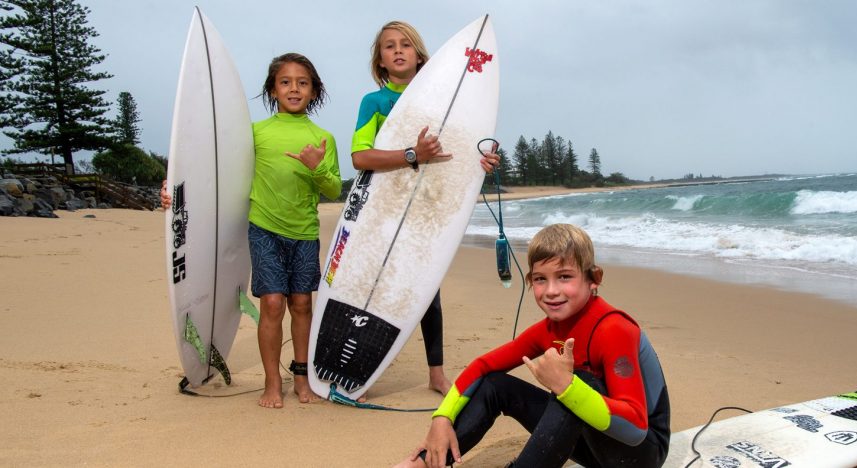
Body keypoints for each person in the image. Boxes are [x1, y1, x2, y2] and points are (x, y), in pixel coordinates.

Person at [396, 224, 671, 468]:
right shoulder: (547, 331)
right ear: (530, 282)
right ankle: (425, 464)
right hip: (591, 442)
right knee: (495, 385)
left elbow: (636, 427)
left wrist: (568, 388)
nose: (551, 290)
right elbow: (483, 366)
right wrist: (442, 417)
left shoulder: (614, 329)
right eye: (541, 279)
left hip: (641, 454)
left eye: (564, 276)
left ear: (594, 278)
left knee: (580, 382)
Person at [162, 52, 342, 409]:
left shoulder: (322, 138)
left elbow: (334, 189)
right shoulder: (254, 134)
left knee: (302, 304)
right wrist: (174, 193)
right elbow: (215, 174)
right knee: (273, 303)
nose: (294, 88)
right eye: (285, 82)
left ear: (314, 91)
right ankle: (272, 381)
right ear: (273, 90)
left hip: (304, 231)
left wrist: (316, 167)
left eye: (302, 83)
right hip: (264, 228)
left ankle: (301, 378)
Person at [351, 20, 500, 395]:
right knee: (374, 285)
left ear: (420, 56)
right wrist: (411, 154)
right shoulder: (374, 103)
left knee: (425, 288)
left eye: (406, 44)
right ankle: (363, 370)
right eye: (389, 46)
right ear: (380, 61)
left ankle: (436, 373)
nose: (398, 50)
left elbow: (458, 151)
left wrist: (481, 162)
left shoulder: (443, 102)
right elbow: (360, 156)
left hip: (427, 206)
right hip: (384, 206)